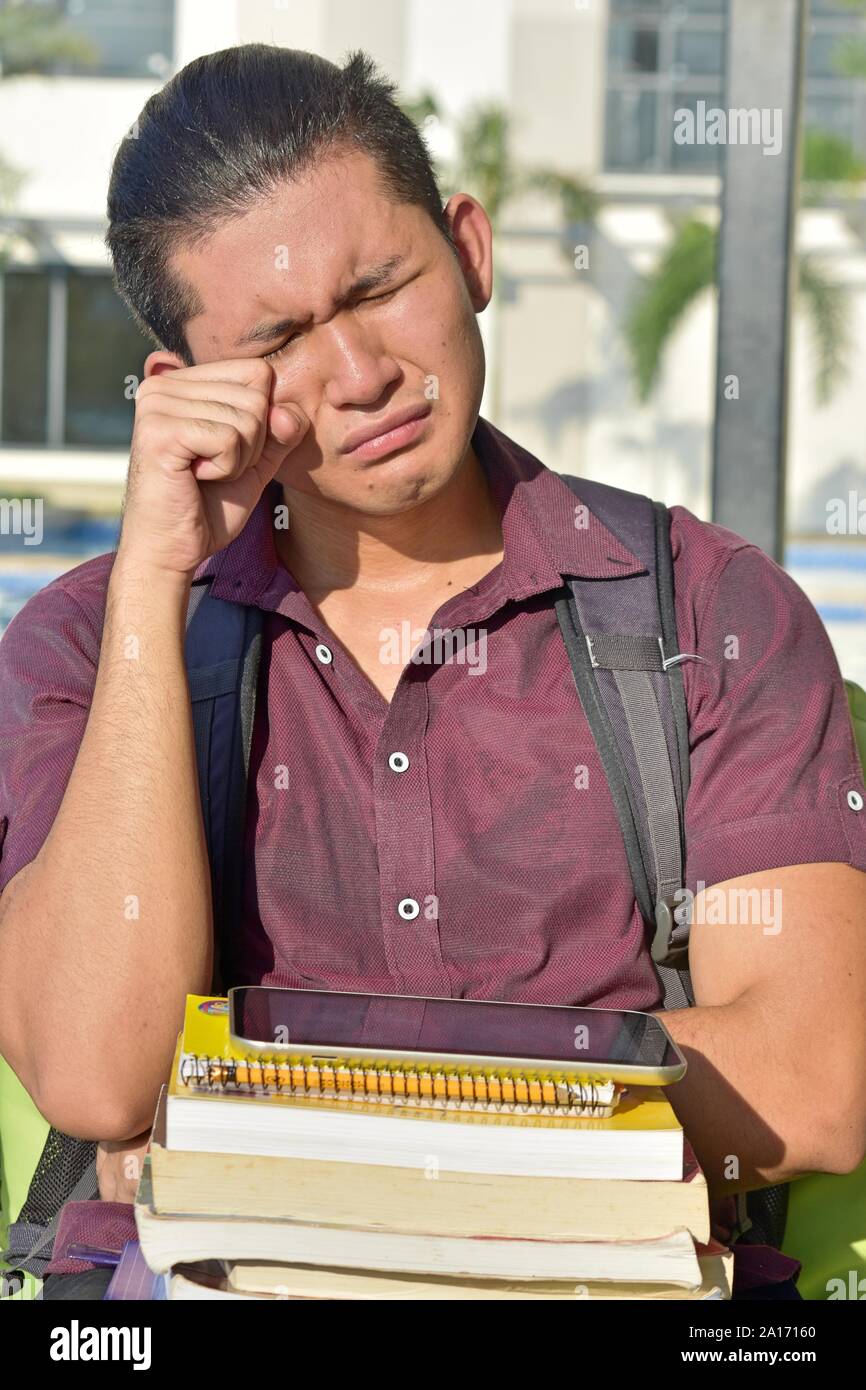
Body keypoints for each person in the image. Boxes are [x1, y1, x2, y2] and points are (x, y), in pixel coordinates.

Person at [1, 45, 865, 1302]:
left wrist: (257, 1117)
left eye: (380, 287)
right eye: (281, 338)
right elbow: (96, 1076)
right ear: (190, 391)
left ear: (467, 247)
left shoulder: (710, 616)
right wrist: (151, 584)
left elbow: (811, 1080)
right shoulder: (89, 642)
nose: (358, 377)